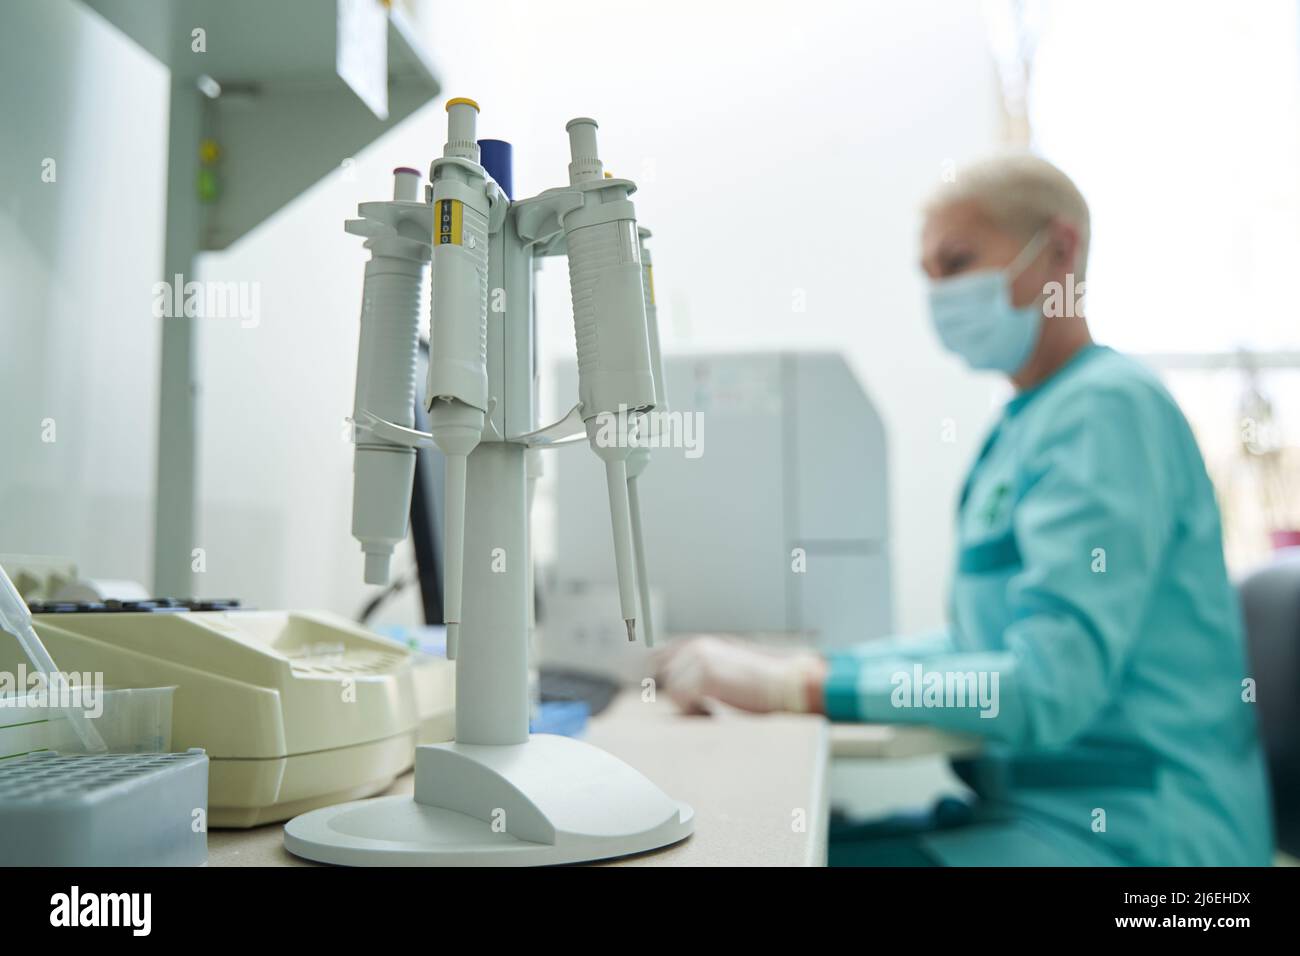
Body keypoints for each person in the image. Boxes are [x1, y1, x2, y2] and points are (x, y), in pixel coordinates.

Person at [658, 154, 1273, 867]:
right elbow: (975, 649)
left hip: (1147, 844)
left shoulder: (1109, 410)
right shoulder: (1026, 424)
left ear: (1062, 250)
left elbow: (1048, 684)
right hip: (1038, 818)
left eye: (956, 264)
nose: (940, 297)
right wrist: (802, 668)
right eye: (928, 276)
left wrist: (801, 687)